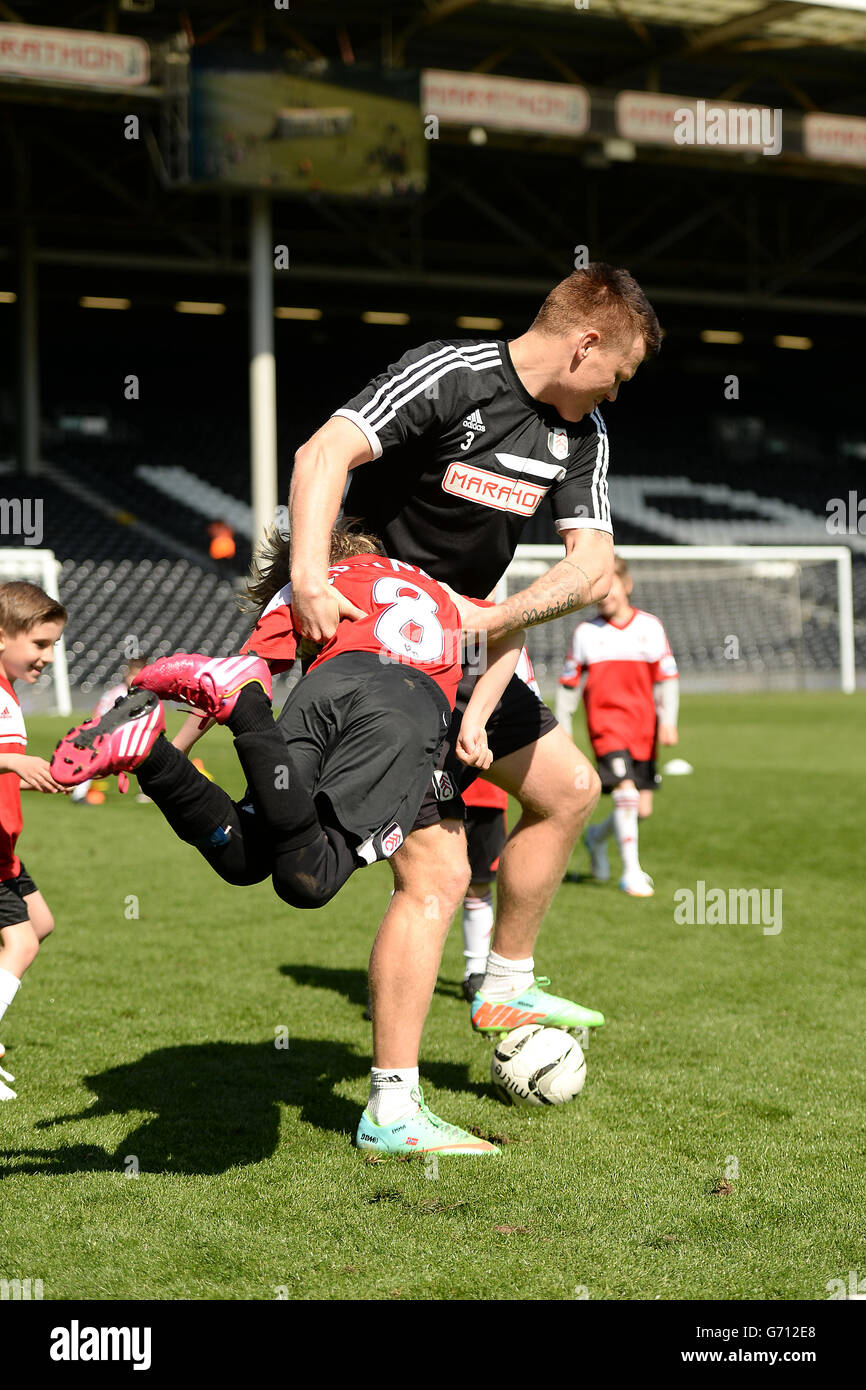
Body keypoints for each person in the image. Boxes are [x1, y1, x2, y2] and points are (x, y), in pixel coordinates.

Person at [288, 263, 661, 1082]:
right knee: (439, 873)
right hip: (375, 640)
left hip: (459, 646)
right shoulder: (453, 375)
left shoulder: (583, 436)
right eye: (618, 375)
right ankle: (392, 1105)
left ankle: (506, 985)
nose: (615, 394)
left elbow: (594, 563)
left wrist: (497, 619)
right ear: (584, 344)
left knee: (568, 790)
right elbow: (324, 453)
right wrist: (310, 579)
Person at [51, 529, 525, 1155]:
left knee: (249, 854)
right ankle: (394, 1107)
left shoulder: (311, 584)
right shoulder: (438, 588)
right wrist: (473, 717)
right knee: (310, 878)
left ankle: (152, 757)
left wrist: (183, 750)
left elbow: (252, 666)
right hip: (400, 705)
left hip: (319, 696)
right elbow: (510, 632)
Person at [555, 555, 679, 897]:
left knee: (641, 808)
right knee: (626, 795)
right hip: (606, 727)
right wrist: (563, 724)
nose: (605, 595)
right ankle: (632, 873)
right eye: (599, 590)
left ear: (627, 585)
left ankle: (596, 837)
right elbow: (568, 684)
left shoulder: (650, 627)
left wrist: (668, 721)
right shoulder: (585, 633)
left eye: (611, 587)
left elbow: (667, 679)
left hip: (644, 729)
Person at [0, 582, 68, 1101]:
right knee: (19, 943)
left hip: (7, 850)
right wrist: (13, 761)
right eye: (39, 645)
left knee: (39, 923)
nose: (48, 656)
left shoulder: (9, 692)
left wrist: (37, 774)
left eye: (53, 645)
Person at [460, 646, 540, 1001]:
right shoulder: (430, 625)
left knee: (478, 881)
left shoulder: (507, 645)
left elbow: (532, 713)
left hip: (486, 788)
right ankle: (399, 981)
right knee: (419, 882)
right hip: (426, 782)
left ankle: (476, 971)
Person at [70, 658, 147, 805]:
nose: (135, 679)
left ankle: (147, 792)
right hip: (108, 735)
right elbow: (100, 713)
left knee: (142, 760)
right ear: (126, 674)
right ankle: (78, 794)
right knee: (93, 764)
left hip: (126, 736)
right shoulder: (117, 693)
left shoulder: (140, 694)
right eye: (133, 675)